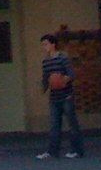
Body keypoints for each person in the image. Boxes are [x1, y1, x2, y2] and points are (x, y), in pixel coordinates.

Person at [36, 32, 84, 160]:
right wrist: (43, 88)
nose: (44, 47)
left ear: (53, 45)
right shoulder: (46, 62)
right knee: (54, 125)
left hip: (66, 95)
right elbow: (45, 78)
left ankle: (77, 151)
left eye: (46, 44)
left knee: (72, 125)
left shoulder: (62, 58)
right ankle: (52, 152)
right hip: (54, 98)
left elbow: (71, 75)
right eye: (43, 45)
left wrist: (62, 80)